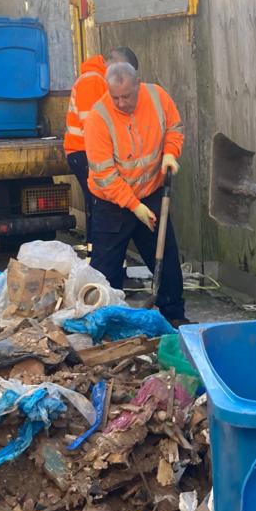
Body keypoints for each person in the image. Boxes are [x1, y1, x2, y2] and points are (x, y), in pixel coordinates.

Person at [83, 62, 188, 325]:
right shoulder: (99, 119)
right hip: (112, 203)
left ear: (138, 85)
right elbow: (105, 177)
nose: (120, 102)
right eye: (114, 96)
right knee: (106, 269)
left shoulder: (157, 97)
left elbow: (174, 128)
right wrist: (133, 205)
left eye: (126, 96)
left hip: (151, 193)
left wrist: (170, 154)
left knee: (166, 260)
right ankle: (104, 320)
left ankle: (174, 318)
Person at [65, 48, 139, 252]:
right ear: (113, 63)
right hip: (85, 152)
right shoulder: (93, 81)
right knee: (100, 204)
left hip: (86, 152)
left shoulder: (97, 79)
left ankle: (96, 256)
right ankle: (98, 257)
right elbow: (92, 127)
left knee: (98, 204)